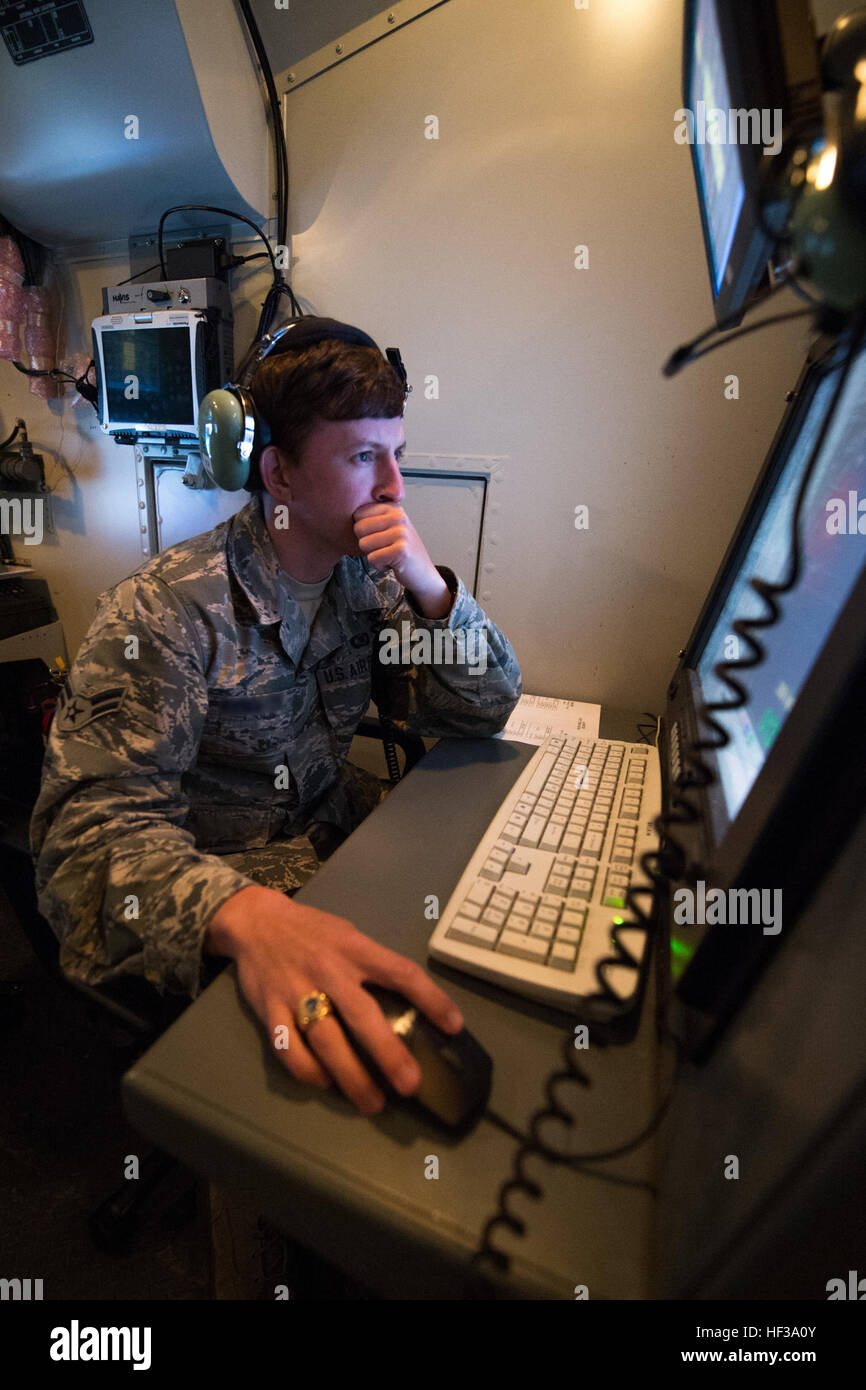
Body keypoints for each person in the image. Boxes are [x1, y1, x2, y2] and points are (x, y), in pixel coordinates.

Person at [30, 319, 522, 1119]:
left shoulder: (367, 578)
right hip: (229, 885)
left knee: (485, 937)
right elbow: (78, 847)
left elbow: (485, 709)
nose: (396, 485)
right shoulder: (162, 612)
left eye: (396, 451)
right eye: (365, 457)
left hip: (336, 839)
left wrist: (432, 588)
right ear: (280, 475)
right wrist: (238, 913)